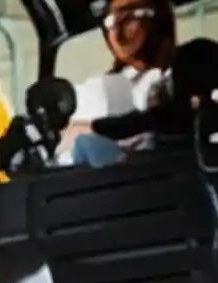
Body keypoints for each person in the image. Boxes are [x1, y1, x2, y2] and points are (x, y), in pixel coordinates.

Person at [61, 0, 177, 167]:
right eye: (111, 19)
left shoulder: (183, 76)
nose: (116, 28)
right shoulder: (102, 87)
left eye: (130, 16)